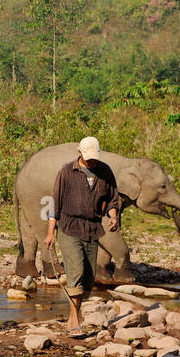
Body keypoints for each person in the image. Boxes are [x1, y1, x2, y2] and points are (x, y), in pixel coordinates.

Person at [45, 136, 122, 335]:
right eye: (88, 158)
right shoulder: (67, 172)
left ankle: (76, 310)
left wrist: (113, 216)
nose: (91, 162)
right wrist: (50, 232)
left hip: (92, 228)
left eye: (94, 158)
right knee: (76, 272)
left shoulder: (105, 172)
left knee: (88, 279)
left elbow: (112, 199)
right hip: (69, 227)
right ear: (79, 153)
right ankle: (73, 320)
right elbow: (55, 202)